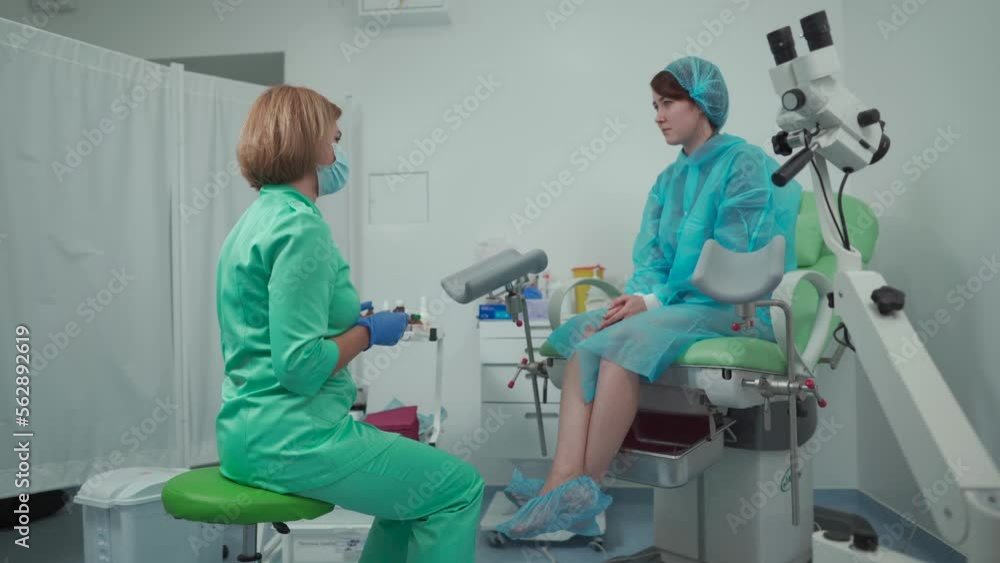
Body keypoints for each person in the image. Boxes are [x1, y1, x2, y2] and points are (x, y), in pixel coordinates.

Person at [497, 56, 803, 539]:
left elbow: (733, 256)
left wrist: (653, 302)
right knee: (585, 334)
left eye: (668, 103)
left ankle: (583, 492)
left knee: (618, 351)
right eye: (655, 105)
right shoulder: (667, 181)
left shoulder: (741, 163)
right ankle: (560, 483)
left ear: (701, 104)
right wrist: (637, 297)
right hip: (672, 305)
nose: (658, 115)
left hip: (729, 307)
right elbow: (652, 258)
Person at [215, 85, 485, 562]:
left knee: (409, 499)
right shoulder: (302, 228)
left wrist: (345, 318)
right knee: (459, 488)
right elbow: (298, 366)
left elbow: (272, 325)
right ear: (308, 145)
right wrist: (367, 333)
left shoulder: (255, 221)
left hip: (245, 433)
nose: (338, 152)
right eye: (334, 141)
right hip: (295, 439)